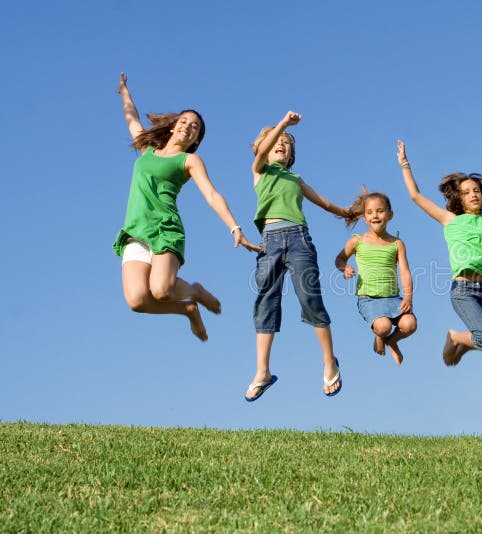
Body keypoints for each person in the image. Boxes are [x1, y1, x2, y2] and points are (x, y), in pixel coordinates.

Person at [112, 73, 260, 342]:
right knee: (137, 301)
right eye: (184, 122)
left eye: (195, 127)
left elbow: (212, 195)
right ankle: (188, 309)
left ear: (195, 139)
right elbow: (131, 118)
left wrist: (235, 228)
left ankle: (197, 291)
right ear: (173, 127)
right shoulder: (146, 149)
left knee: (161, 289)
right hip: (136, 230)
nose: (188, 127)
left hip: (165, 228)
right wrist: (124, 92)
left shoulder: (189, 160)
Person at [245, 111, 349, 401]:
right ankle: (262, 371)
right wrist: (283, 125)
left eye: (288, 142)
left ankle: (329, 361)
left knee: (310, 298)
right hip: (270, 241)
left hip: (299, 239)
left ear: (291, 154)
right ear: (263, 146)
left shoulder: (295, 178)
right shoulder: (260, 170)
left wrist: (348, 212)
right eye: (276, 140)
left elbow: (324, 202)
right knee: (266, 301)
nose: (282, 143)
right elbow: (264, 151)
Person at [398, 122, 482, 366]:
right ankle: (456, 337)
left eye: (477, 191)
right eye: (466, 192)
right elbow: (415, 196)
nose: (473, 194)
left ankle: (463, 341)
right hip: (463, 291)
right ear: (458, 198)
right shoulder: (449, 220)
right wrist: (405, 164)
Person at [335, 189, 417, 365]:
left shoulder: (397, 244)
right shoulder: (357, 241)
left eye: (380, 211)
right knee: (383, 326)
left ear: (390, 215)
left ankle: (391, 341)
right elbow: (339, 258)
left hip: (393, 298)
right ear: (365, 218)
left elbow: (404, 271)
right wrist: (344, 267)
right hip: (369, 299)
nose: (375, 215)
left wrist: (408, 296)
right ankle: (381, 335)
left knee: (410, 324)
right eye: (370, 212)